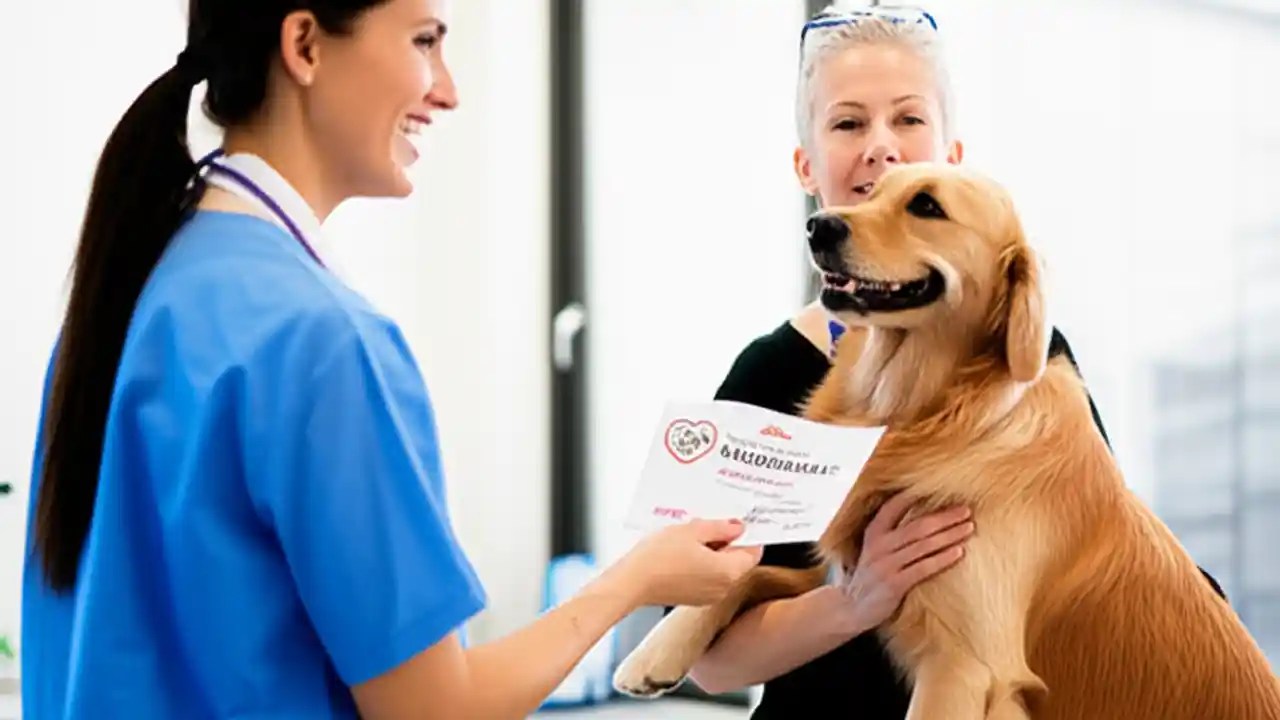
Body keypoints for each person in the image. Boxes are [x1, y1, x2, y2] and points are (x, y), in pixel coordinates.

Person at [19, 2, 763, 718]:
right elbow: (438, 709)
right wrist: (637, 578)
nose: (448, 88)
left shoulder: (129, 295)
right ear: (305, 44)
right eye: (423, 41)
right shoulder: (320, 340)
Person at [683, 5, 1226, 719]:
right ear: (806, 166)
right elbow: (712, 664)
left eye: (909, 120)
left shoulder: (1030, 357)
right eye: (848, 123)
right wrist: (855, 600)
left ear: (953, 157)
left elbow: (1090, 560)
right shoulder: (766, 377)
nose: (882, 148)